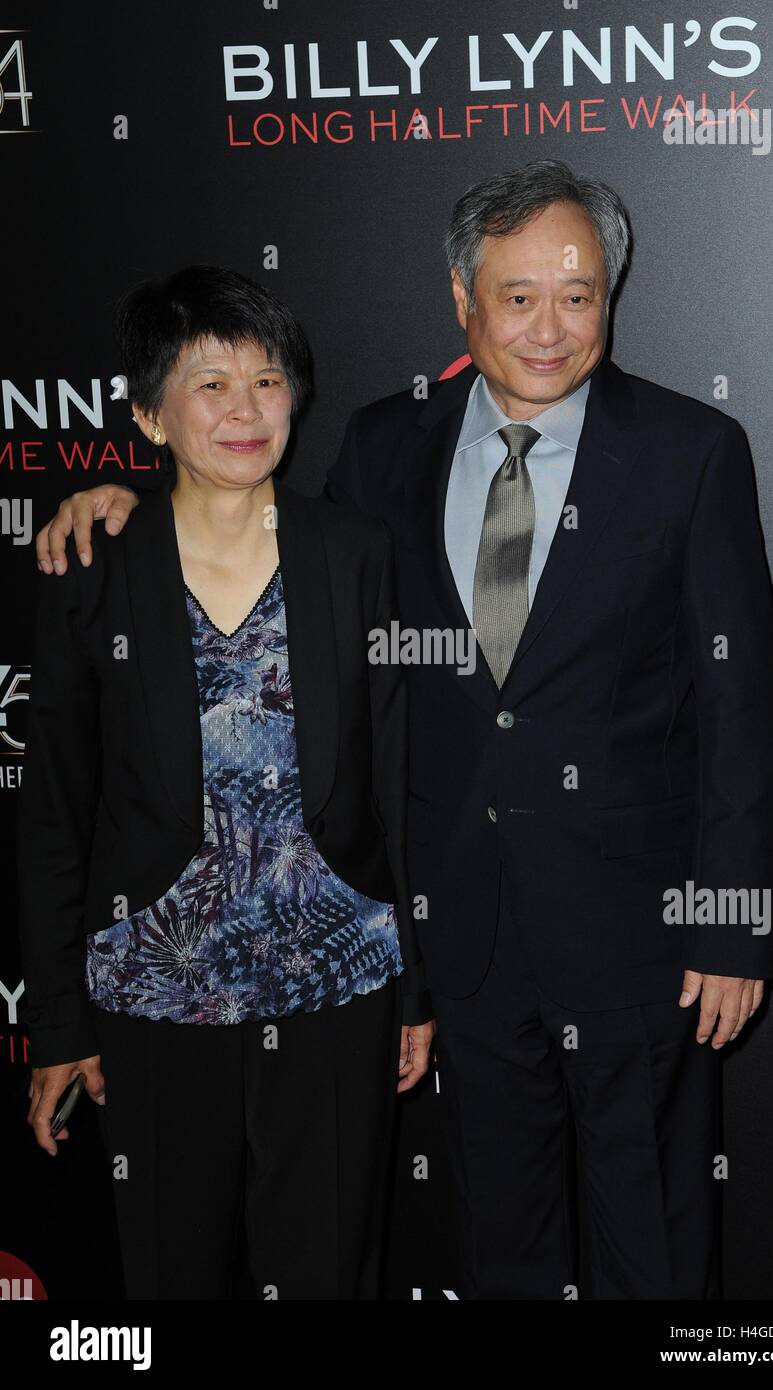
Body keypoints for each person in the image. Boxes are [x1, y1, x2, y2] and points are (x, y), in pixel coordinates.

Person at [35, 160, 773, 1300]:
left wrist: (731, 929)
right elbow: (257, 525)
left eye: (575, 295)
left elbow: (740, 705)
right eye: (516, 293)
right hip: (454, 933)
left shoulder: (692, 451)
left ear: (610, 300)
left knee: (656, 1245)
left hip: (638, 939)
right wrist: (127, 502)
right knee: (500, 1240)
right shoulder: (389, 445)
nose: (547, 327)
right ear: (459, 298)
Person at [18, 264, 434, 1301]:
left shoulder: (355, 555)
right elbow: (56, 811)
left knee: (329, 1271)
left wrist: (417, 989)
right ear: (150, 414)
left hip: (337, 983)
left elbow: (395, 779)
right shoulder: (95, 565)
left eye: (266, 380)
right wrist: (60, 1024)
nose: (244, 409)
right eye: (210, 384)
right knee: (172, 1273)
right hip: (156, 990)